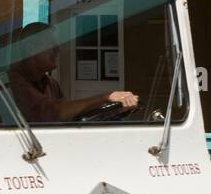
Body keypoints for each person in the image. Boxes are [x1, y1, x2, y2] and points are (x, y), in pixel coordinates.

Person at [8, 22, 139, 122]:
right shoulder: (12, 82)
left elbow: (69, 116)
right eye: (50, 45)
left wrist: (117, 110)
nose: (57, 51)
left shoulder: (50, 84)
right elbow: (53, 113)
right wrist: (105, 97)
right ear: (31, 49)